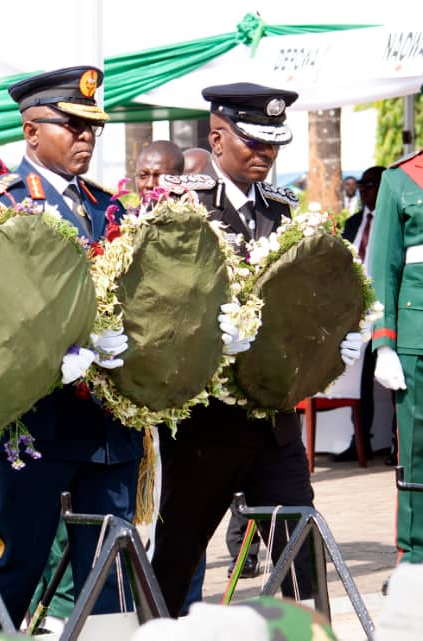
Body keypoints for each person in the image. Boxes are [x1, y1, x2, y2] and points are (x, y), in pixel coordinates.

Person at [151, 82, 365, 616]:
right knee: (177, 559)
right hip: (205, 425)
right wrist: (210, 336)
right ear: (217, 138)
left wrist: (335, 336)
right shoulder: (183, 206)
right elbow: (158, 308)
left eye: (273, 143)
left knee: (302, 556)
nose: (266, 153)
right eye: (254, 141)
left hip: (273, 424)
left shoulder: (282, 209)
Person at [0, 66, 141, 628]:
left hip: (108, 428)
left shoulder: (109, 206)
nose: (85, 137)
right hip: (37, 421)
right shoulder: (3, 204)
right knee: (17, 561)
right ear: (31, 132)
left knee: (110, 571)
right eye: (71, 126)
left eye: (91, 127)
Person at [370, 145, 423, 565]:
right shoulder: (400, 179)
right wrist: (384, 343)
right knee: (416, 451)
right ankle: (415, 554)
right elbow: (382, 269)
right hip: (416, 335)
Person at [332, 165, 391, 464]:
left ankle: (396, 443)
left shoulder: (394, 220)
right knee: (361, 379)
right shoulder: (354, 222)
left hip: (387, 307)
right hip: (356, 311)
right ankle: (360, 442)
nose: (364, 189)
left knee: (392, 375)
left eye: (371, 184)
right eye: (362, 184)